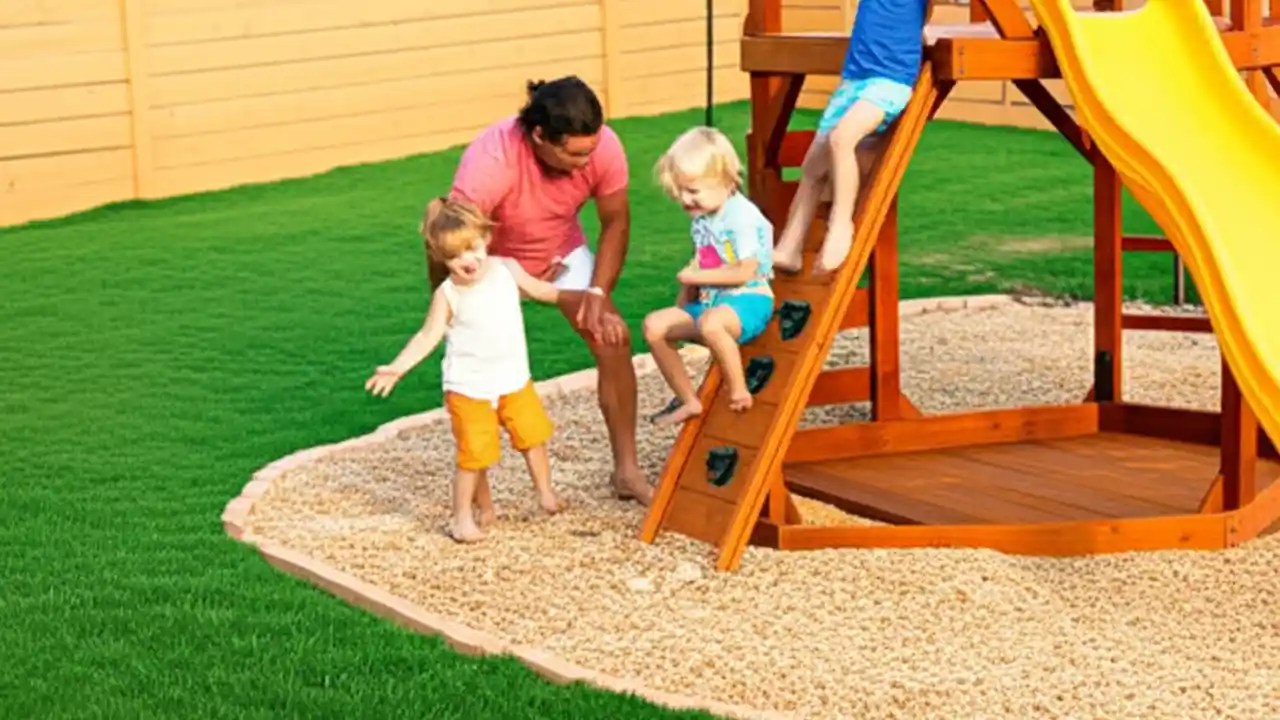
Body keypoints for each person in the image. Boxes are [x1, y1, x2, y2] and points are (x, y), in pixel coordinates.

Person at [439, 75, 653, 505]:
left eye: (591, 151)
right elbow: (450, 242)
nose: (586, 162)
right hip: (490, 265)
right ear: (539, 136)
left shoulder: (603, 146)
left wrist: (596, 293)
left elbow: (616, 221)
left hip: (562, 252)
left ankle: (627, 472)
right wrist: (451, 309)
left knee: (614, 336)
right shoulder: (490, 162)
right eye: (575, 154)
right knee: (473, 374)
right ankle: (476, 494)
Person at [365, 198, 565, 543]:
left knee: (533, 435)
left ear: (486, 239)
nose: (467, 261)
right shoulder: (448, 294)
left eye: (472, 248)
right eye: (455, 257)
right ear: (442, 259)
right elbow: (428, 335)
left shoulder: (507, 270)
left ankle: (544, 492)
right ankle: (463, 517)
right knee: (475, 453)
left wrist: (583, 297)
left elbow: (541, 291)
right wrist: (397, 368)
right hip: (469, 387)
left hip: (513, 379)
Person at [771, 0, 932, 276]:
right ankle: (790, 247)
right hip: (854, 79)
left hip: (890, 81)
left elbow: (926, 11)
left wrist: (919, 31)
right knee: (812, 168)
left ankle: (841, 226)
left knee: (841, 138)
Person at [642, 127, 775, 425]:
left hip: (749, 300)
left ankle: (738, 389)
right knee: (655, 326)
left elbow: (746, 271)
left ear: (726, 181)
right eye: (679, 192)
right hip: (713, 304)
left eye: (692, 191)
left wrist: (693, 276)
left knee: (711, 323)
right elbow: (700, 265)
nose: (685, 200)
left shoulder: (740, 216)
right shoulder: (702, 219)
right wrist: (683, 300)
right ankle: (689, 400)